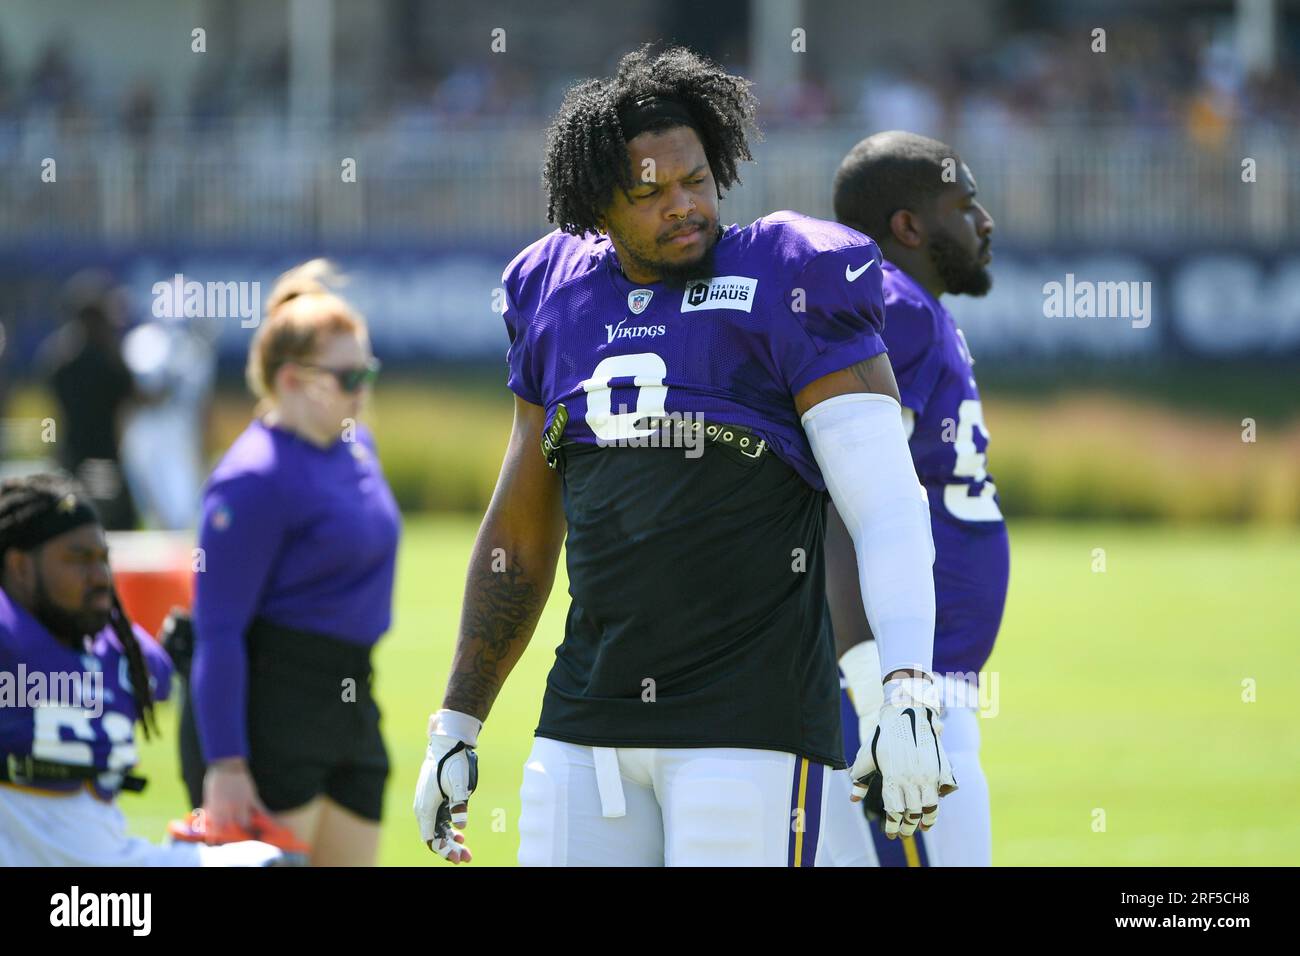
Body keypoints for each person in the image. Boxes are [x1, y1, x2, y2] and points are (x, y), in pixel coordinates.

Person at [412, 45, 954, 867]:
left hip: (748, 725)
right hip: (585, 724)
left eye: (695, 180)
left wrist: (907, 689)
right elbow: (518, 537)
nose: (682, 205)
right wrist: (457, 722)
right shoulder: (553, 291)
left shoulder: (790, 275)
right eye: (649, 191)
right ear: (596, 206)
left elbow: (885, 503)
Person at [823, 130, 1007, 867]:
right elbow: (848, 499)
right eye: (964, 206)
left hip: (921, 686)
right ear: (909, 227)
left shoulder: (918, 309)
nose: (984, 221)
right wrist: (879, 695)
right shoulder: (892, 306)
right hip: (897, 694)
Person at [184, 260, 400, 866]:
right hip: (277, 707)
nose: (362, 389)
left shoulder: (358, 444)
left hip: (354, 698)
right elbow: (218, 631)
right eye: (348, 375)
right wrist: (225, 764)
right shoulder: (250, 479)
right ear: (289, 379)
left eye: (368, 372)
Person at [0, 473, 286, 866]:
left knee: (267, 861)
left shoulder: (126, 655)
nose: (100, 576)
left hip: (107, 867)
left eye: (103, 559)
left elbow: (167, 687)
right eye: (77, 560)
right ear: (19, 567)